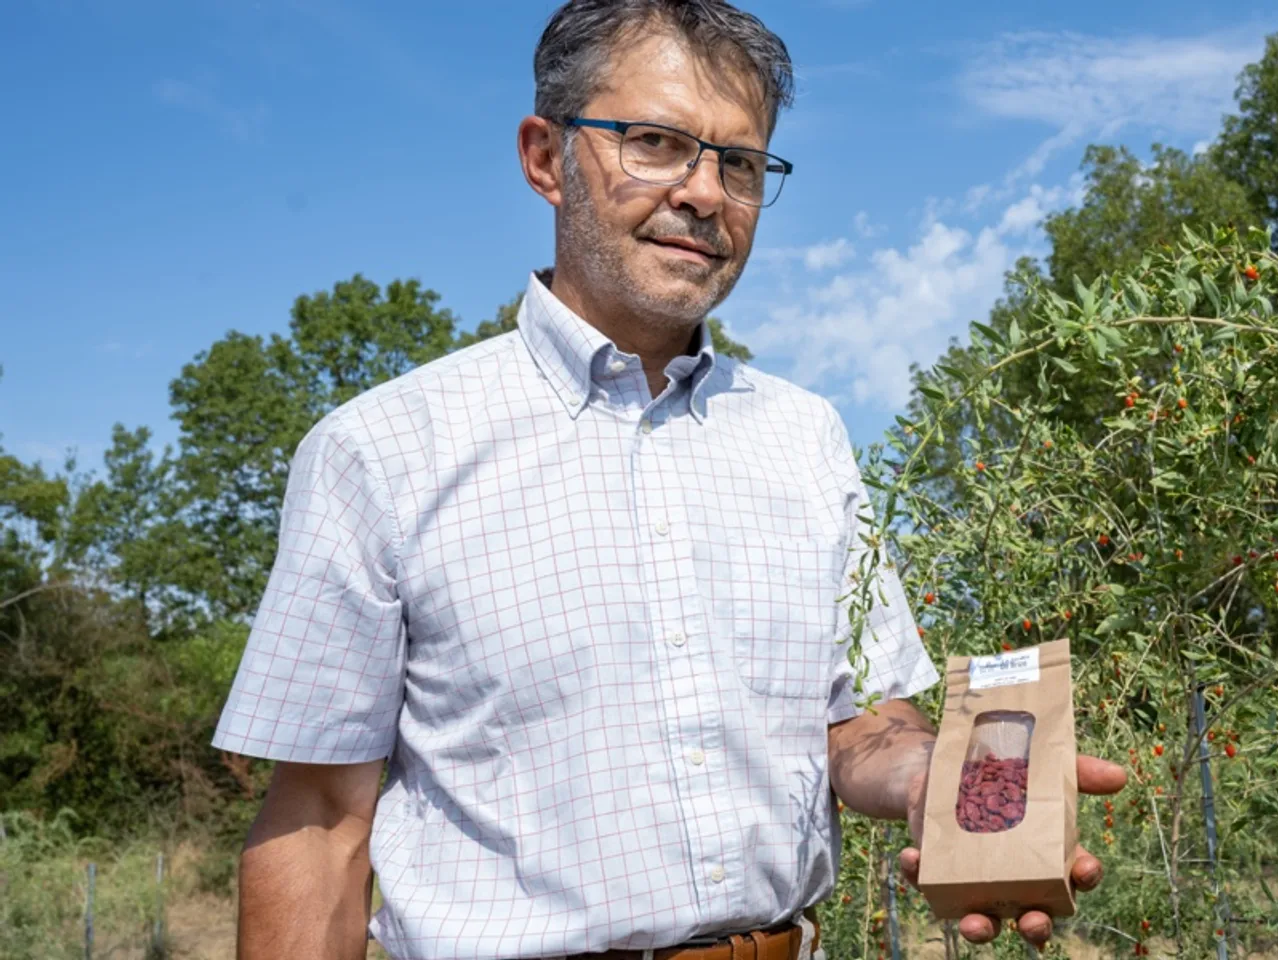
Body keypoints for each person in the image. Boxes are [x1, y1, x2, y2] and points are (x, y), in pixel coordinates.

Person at [211, 2, 1125, 958]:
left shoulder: (805, 438)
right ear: (543, 158)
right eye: (654, 142)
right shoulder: (383, 451)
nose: (703, 193)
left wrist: (930, 776)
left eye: (739, 163)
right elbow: (319, 822)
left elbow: (859, 725)